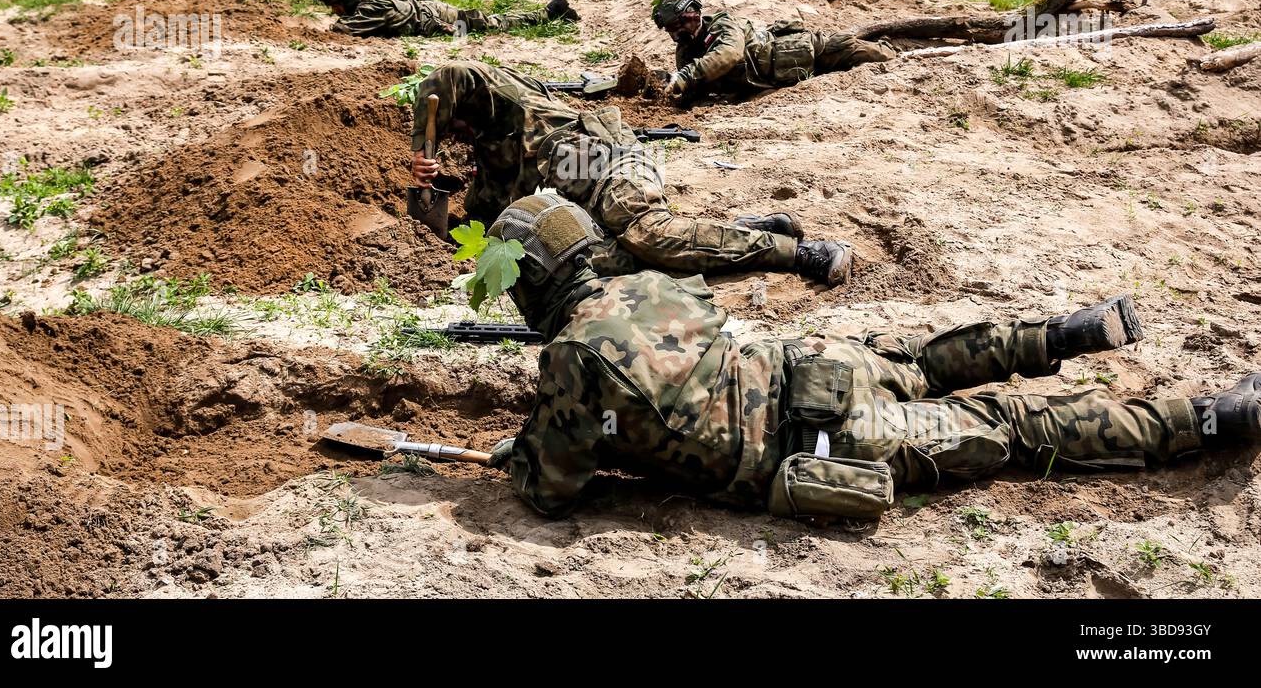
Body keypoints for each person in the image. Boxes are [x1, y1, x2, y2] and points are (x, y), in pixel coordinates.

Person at [477, 194, 1259, 519]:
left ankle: (1209, 420)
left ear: (529, 283)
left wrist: (530, 451)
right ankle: (1059, 335)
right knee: (920, 356)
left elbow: (551, 489)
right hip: (811, 367)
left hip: (823, 442)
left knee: (1008, 426)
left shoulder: (574, 356)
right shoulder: (650, 282)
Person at [409, 61, 852, 284]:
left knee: (648, 235)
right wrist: (431, 194)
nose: (461, 135)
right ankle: (740, 231)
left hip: (610, 164)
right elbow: (481, 236)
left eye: (457, 123)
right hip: (592, 213)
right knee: (614, 263)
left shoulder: (506, 100)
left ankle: (799, 251)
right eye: (453, 134)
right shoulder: (489, 179)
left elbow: (448, 75)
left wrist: (421, 147)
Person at [652, 0, 894, 99]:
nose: (673, 34)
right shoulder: (686, 50)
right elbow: (693, 89)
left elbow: (728, 55)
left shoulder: (722, 25)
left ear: (692, 16)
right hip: (775, 79)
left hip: (805, 54)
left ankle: (901, 47)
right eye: (668, 29)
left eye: (676, 26)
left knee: (881, 56)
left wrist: (683, 77)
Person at [321, 0, 576, 39]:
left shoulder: (369, 8)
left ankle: (549, 13)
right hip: (431, 11)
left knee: (492, 24)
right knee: (487, 20)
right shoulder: (370, 1)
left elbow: (344, 31)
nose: (335, 11)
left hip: (435, 18)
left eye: (335, 5)